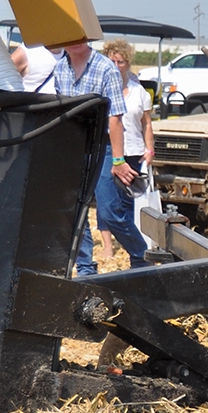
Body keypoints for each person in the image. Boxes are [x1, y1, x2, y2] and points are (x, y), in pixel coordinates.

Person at [57, 40, 137, 276]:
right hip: (75, 146)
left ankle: (139, 254)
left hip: (103, 146)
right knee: (75, 208)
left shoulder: (106, 68)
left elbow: (115, 118)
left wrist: (119, 160)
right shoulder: (60, 68)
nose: (75, 41)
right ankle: (85, 267)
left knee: (110, 210)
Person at [94, 39, 154, 261]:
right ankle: (113, 246)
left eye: (120, 61)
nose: (116, 64)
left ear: (127, 63)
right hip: (109, 149)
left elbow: (146, 123)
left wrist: (150, 149)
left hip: (133, 150)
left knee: (126, 202)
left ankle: (135, 256)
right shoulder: (101, 86)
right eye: (112, 60)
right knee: (107, 203)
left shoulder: (139, 91)